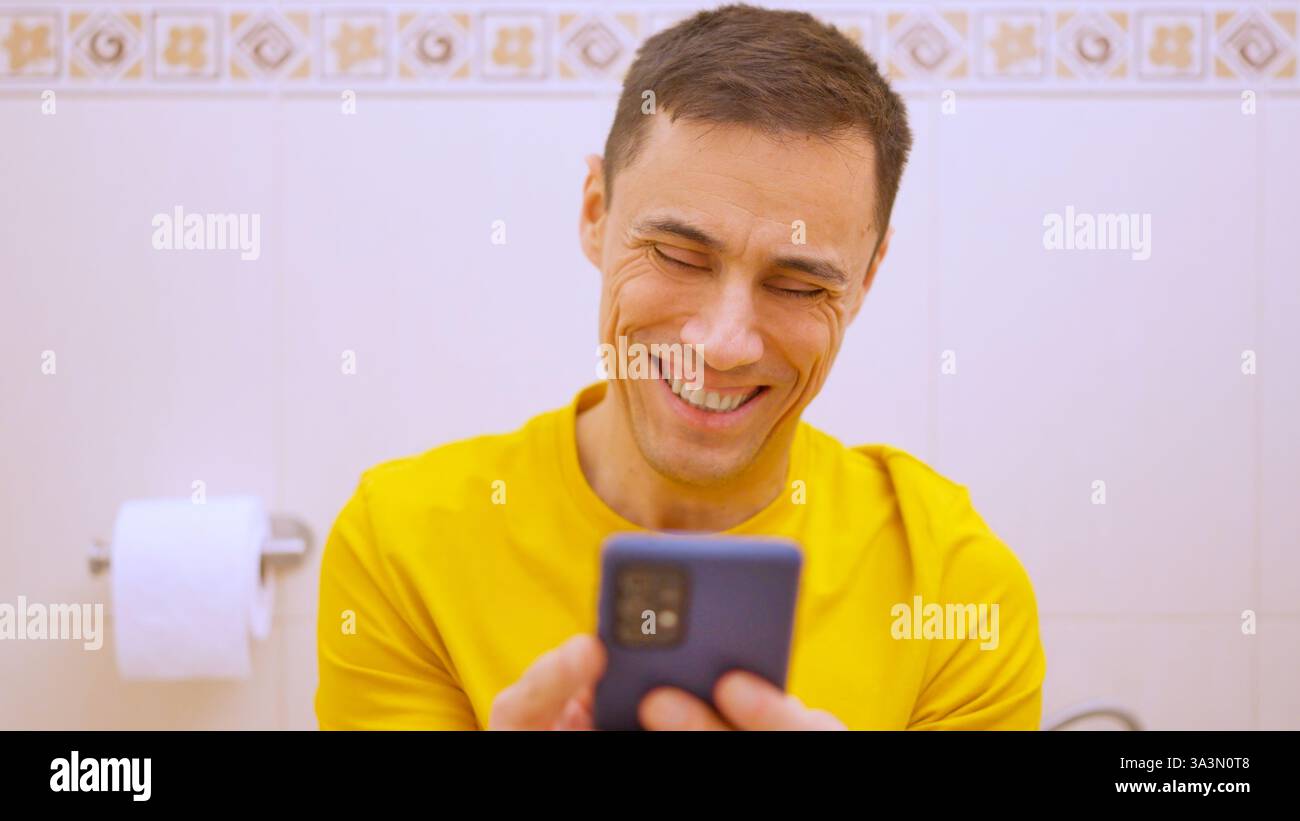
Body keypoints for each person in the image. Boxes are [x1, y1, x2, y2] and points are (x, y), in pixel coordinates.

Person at [315, 3, 1045, 731]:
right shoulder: (403, 546)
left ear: (866, 279)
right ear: (596, 212)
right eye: (676, 256)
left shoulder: (953, 587)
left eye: (796, 285)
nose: (724, 343)